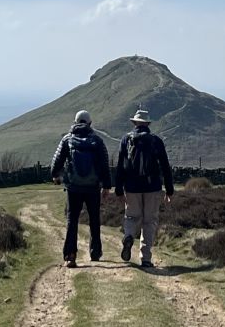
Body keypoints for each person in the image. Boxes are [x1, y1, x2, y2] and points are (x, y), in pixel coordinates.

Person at [50, 110, 111, 268]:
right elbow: (105, 164)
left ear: (75, 122)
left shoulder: (67, 139)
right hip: (92, 187)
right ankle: (95, 253)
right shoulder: (97, 141)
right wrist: (106, 186)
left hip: (74, 187)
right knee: (94, 219)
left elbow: (57, 160)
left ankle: (70, 255)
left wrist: (55, 175)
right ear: (90, 123)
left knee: (72, 220)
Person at [114, 109, 173, 268]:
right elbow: (165, 167)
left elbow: (120, 167)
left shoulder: (126, 139)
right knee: (150, 221)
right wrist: (169, 189)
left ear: (134, 123)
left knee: (132, 217)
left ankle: (128, 236)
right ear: (148, 123)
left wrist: (119, 190)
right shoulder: (156, 141)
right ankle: (145, 258)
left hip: (131, 187)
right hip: (152, 188)